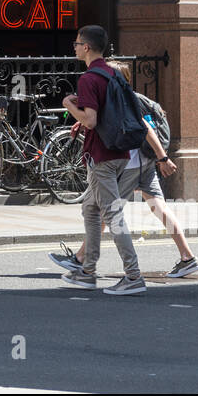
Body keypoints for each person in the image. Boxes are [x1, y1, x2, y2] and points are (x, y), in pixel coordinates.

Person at [49, 61, 198, 279]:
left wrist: (163, 157)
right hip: (144, 163)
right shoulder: (124, 98)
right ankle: (188, 258)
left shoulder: (125, 99)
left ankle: (85, 260)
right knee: (158, 208)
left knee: (105, 211)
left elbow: (146, 128)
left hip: (129, 164)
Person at [58, 25, 145, 295]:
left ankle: (133, 276)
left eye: (76, 43)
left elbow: (91, 120)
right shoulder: (112, 73)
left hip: (102, 156)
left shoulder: (88, 78)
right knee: (90, 209)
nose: (74, 47)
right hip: (120, 151)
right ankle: (87, 271)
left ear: (86, 47)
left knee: (113, 216)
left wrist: (69, 105)